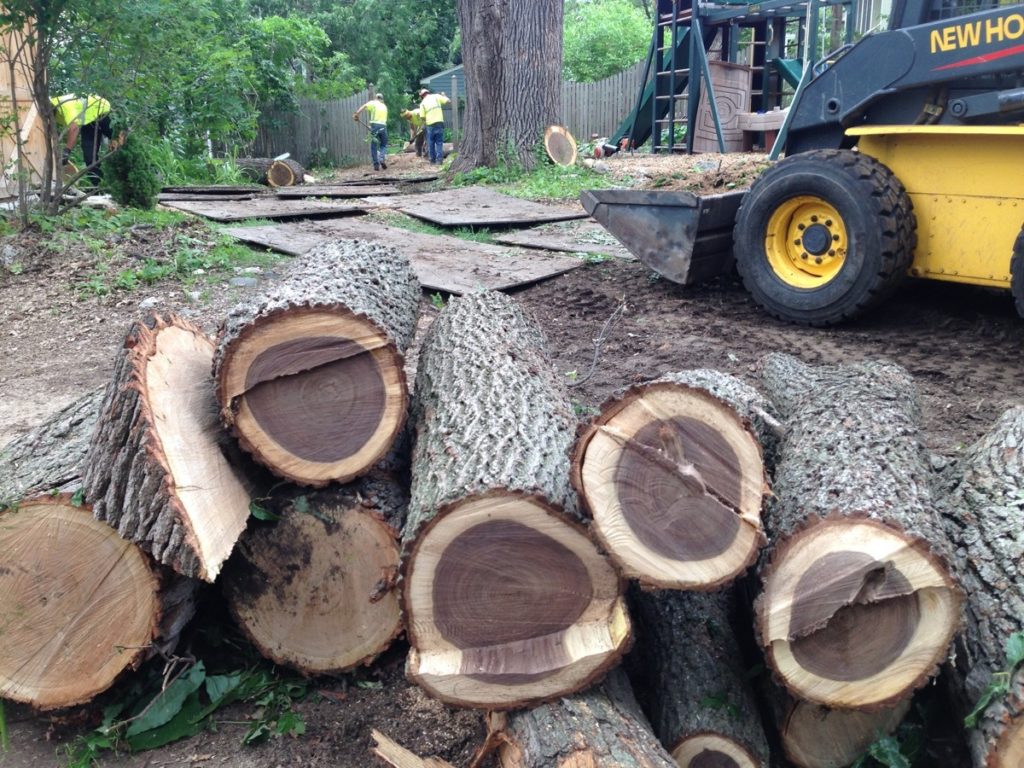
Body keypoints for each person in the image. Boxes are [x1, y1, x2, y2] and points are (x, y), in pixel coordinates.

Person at [51, 93, 119, 184]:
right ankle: (98, 186)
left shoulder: (64, 106)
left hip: (102, 110)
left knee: (119, 142)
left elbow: (74, 128)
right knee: (89, 156)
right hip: (88, 121)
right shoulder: (53, 112)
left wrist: (66, 152)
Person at [353, 92, 389, 171]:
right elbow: (381, 120)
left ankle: (376, 165)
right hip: (383, 126)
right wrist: (372, 126)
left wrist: (357, 114)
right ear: (382, 99)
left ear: (376, 98)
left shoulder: (373, 103)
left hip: (375, 126)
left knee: (374, 145)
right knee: (383, 144)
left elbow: (364, 106)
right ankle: (382, 158)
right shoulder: (384, 106)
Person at [418, 88, 450, 165]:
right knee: (439, 142)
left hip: (430, 124)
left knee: (431, 142)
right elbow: (448, 101)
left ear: (422, 96)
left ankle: (432, 160)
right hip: (439, 122)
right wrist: (444, 95)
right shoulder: (436, 96)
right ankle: (439, 160)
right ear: (428, 93)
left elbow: (422, 117)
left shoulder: (422, 103)